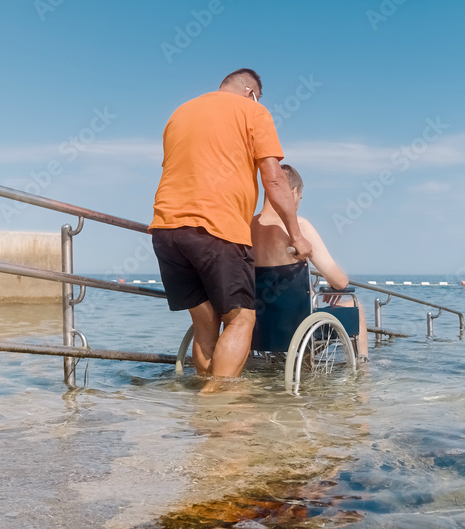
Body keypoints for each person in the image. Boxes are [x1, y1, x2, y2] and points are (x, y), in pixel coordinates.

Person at [149, 69, 312, 378]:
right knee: (241, 320)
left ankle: (207, 412)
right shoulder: (253, 110)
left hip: (165, 230)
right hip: (217, 229)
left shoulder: (180, 113)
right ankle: (222, 405)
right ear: (251, 93)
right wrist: (296, 235)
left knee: (205, 324)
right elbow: (274, 179)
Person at [251, 164, 370, 361]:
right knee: (358, 309)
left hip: (258, 326)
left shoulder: (247, 226)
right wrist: (334, 285)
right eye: (299, 199)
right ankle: (363, 373)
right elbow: (340, 282)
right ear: (294, 192)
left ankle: (300, 366)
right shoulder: (300, 228)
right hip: (299, 325)